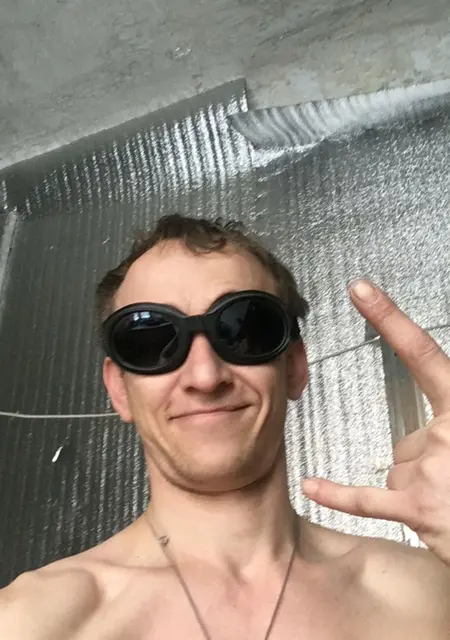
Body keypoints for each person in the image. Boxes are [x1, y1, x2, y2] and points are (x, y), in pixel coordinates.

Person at [2, 214, 450, 639]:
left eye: (243, 329)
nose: (205, 376)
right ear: (119, 389)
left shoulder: (428, 598)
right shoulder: (29, 621)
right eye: (151, 340)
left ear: (295, 367)